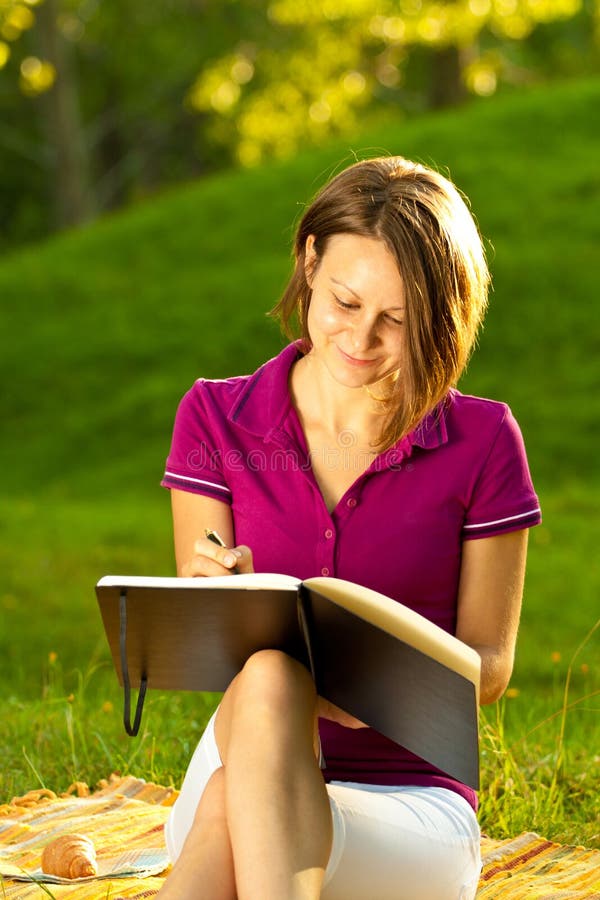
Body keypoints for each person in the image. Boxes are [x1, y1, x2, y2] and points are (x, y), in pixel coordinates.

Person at [156, 156, 541, 900]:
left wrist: (358, 687)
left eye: (396, 320)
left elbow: (490, 668)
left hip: (410, 805)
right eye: (344, 301)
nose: (361, 338)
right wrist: (214, 597)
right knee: (268, 679)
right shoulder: (215, 417)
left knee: (236, 814)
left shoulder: (483, 439)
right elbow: (209, 637)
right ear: (308, 261)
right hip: (245, 753)